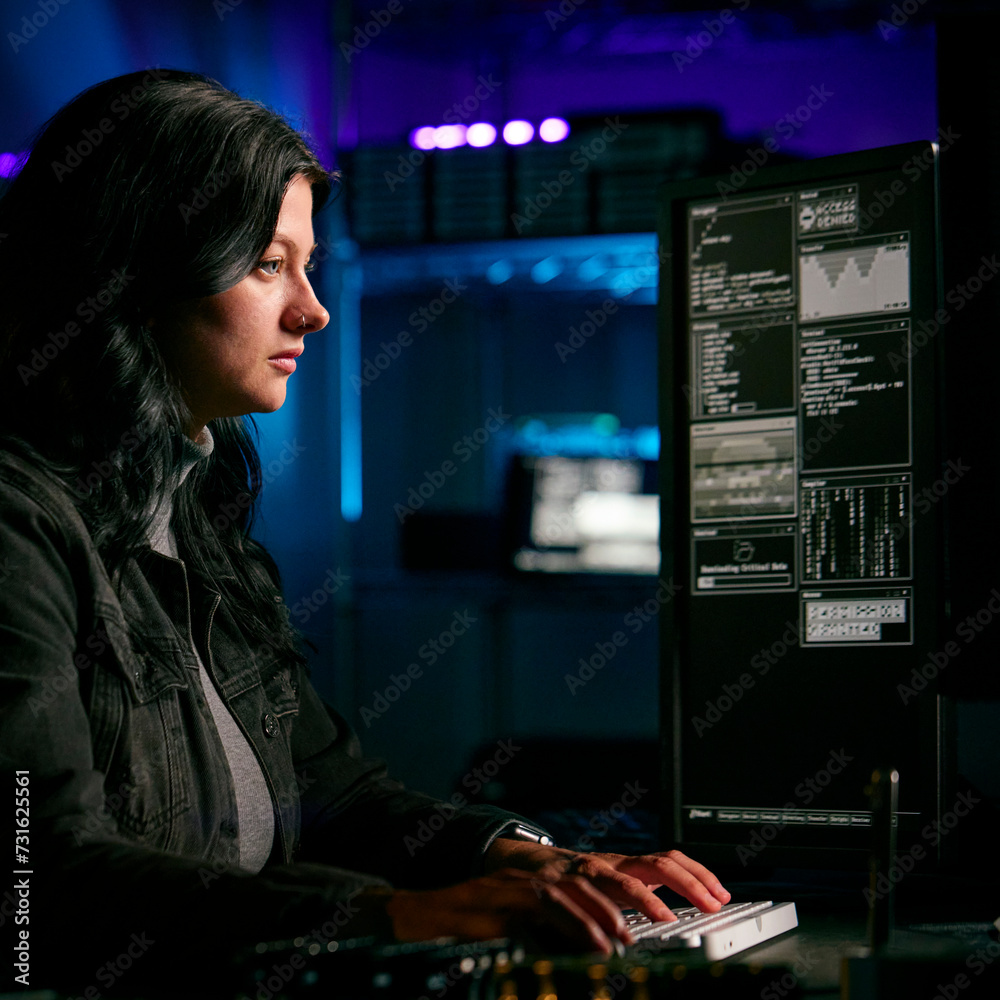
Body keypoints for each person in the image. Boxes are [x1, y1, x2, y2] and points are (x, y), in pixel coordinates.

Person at [0, 69, 729, 993]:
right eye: (270, 264)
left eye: (305, 265)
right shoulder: (20, 523)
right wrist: (388, 917)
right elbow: (38, 884)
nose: (313, 309)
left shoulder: (190, 514)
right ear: (139, 271)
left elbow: (331, 789)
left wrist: (525, 856)